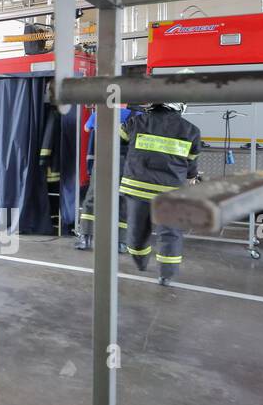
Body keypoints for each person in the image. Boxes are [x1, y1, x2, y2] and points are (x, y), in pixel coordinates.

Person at [119, 103, 202, 286]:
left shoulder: (136, 122)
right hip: (170, 191)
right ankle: (166, 275)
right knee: (170, 232)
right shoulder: (191, 130)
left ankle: (140, 263)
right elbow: (191, 166)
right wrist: (191, 177)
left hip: (136, 187)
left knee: (137, 228)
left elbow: (118, 142)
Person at [75, 104, 133, 252]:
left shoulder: (99, 114)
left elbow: (86, 129)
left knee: (92, 198)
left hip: (103, 159)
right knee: (122, 200)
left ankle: (85, 238)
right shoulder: (134, 116)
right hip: (124, 162)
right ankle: (121, 242)